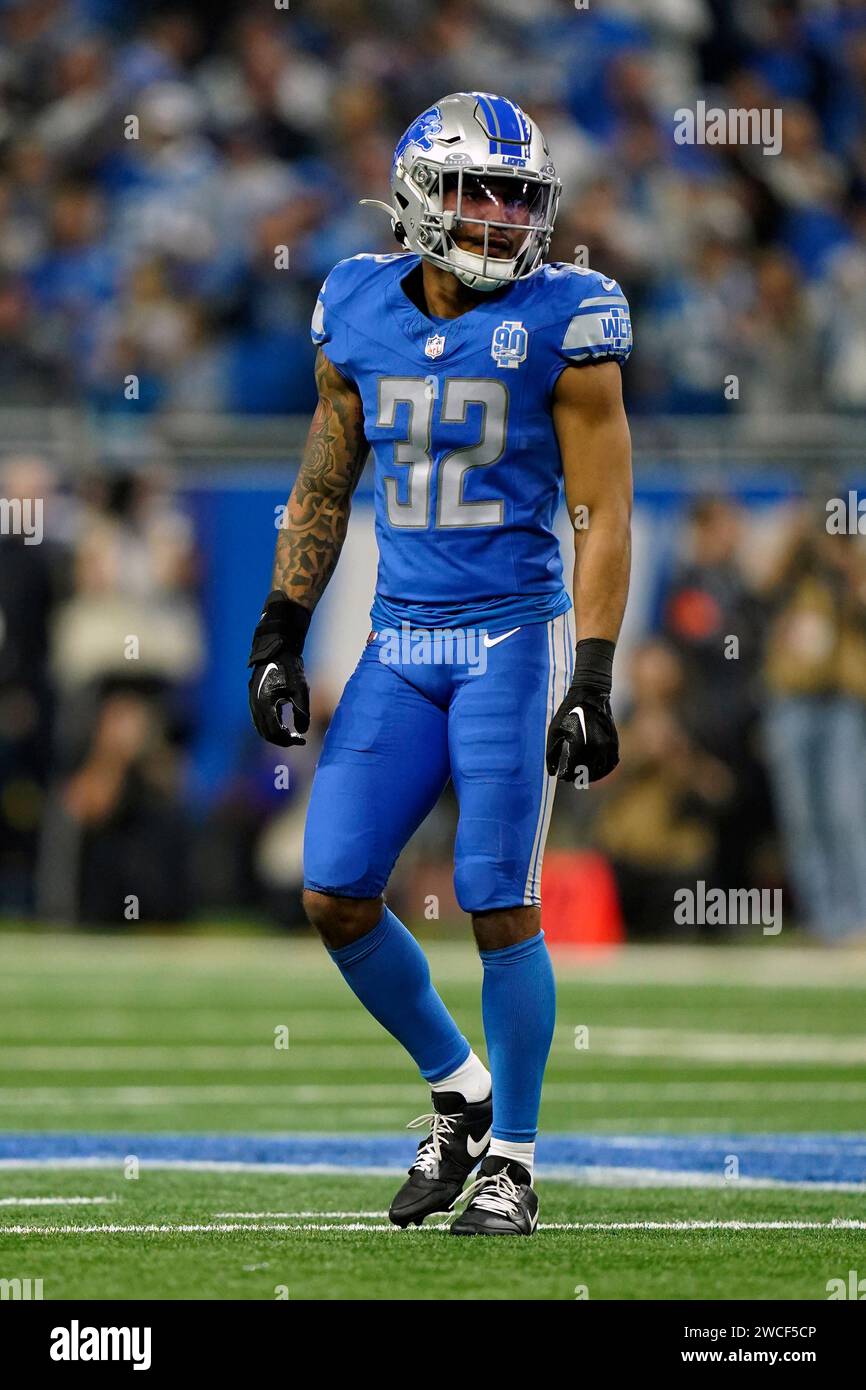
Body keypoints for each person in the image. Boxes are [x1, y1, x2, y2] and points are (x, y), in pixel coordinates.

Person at [246, 93, 633, 1235]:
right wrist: (279, 626)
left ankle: (511, 1158)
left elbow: (601, 514)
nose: (507, 219)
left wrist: (594, 674)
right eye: (484, 193)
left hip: (512, 634)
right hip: (401, 640)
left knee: (496, 901)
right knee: (331, 890)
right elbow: (322, 483)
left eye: (522, 198)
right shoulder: (355, 305)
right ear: (421, 193)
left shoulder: (571, 317)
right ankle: (458, 1087)